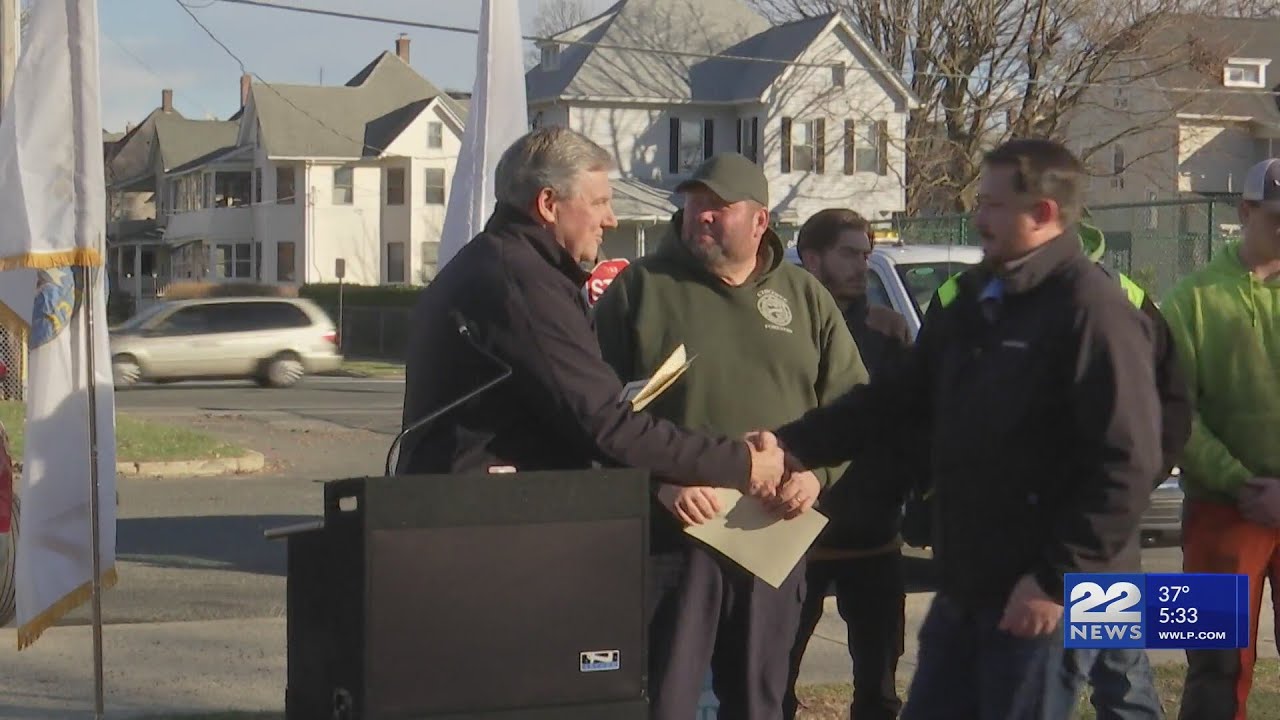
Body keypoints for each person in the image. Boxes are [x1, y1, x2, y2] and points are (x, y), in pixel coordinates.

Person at [767, 138, 1164, 719]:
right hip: (966, 588)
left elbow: (1128, 462)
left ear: (1044, 213)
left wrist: (1054, 581)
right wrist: (792, 445)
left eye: (995, 205)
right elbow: (895, 401)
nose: (979, 217)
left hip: (1036, 595)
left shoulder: (1091, 312)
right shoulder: (976, 300)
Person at [592, 153, 869, 720]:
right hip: (675, 539)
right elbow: (595, 415)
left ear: (760, 220)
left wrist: (815, 478)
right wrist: (657, 486)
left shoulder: (802, 295)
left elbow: (852, 404)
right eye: (694, 206)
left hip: (772, 537)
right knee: (667, 698)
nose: (702, 218)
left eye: (718, 208)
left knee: (759, 698)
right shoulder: (641, 289)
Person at [396, 127, 786, 500]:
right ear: (548, 205)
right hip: (481, 525)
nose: (610, 219)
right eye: (599, 202)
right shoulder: (523, 282)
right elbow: (602, 423)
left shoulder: (501, 264)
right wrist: (739, 463)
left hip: (468, 510)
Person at [1051, 220, 1192, 720]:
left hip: (1099, 526)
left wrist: (1133, 484)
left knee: (1118, 670)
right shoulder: (975, 298)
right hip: (1013, 532)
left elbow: (1173, 400)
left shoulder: (1121, 298)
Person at [784, 208, 911, 720]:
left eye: (866, 254)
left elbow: (904, 422)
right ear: (812, 258)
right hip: (794, 536)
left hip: (873, 537)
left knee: (879, 689)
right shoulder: (784, 328)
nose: (863, 265)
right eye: (849, 254)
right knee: (773, 679)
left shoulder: (888, 331)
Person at [1166, 157, 1280, 720]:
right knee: (1214, 666)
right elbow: (1175, 412)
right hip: (1219, 511)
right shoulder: (1192, 300)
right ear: (1246, 212)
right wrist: (1243, 484)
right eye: (1278, 219)